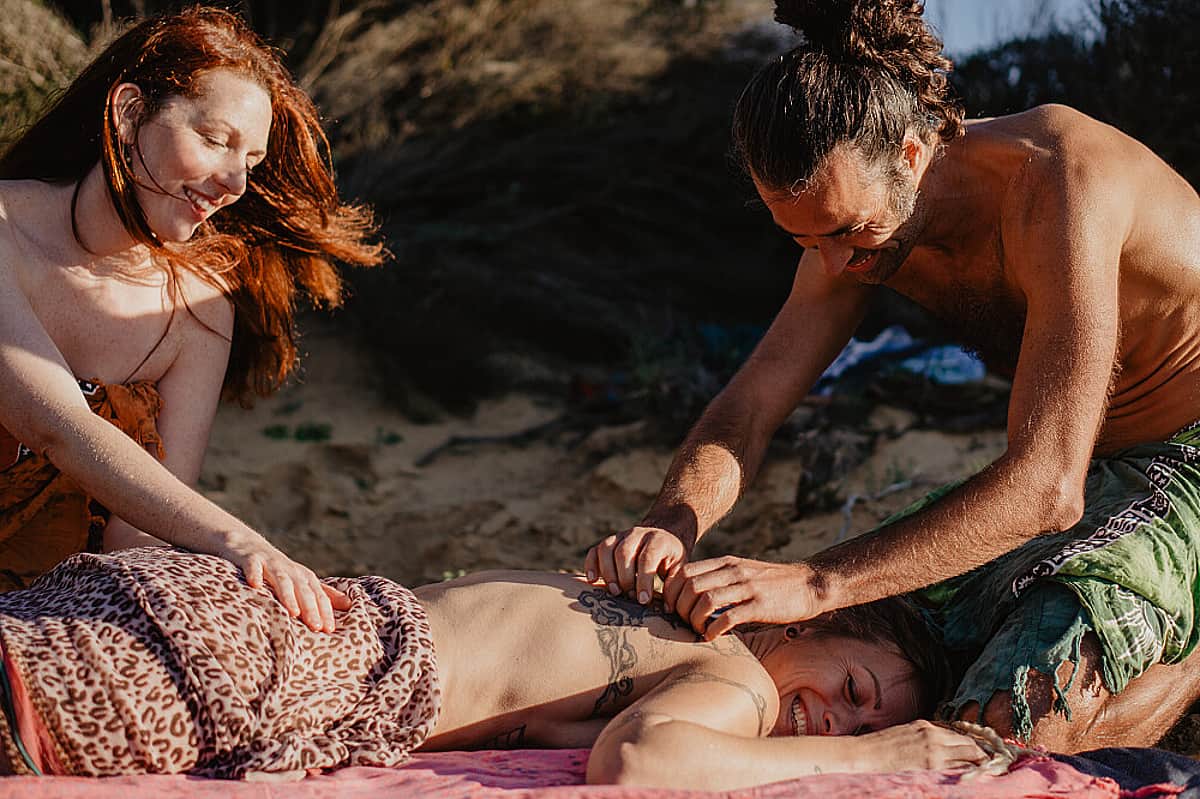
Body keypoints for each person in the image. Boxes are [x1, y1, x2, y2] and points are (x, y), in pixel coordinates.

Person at [585, 0, 1200, 752]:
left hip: (1180, 462)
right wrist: (672, 518)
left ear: (912, 154)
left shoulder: (1063, 182)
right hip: (1100, 468)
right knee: (832, 647)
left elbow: (1047, 485)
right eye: (803, 239)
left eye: (847, 234)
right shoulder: (847, 224)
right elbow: (748, 407)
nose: (834, 265)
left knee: (1002, 731)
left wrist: (815, 579)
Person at [0, 7, 384, 631]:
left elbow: (134, 538)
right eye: (215, 139)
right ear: (128, 113)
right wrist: (239, 540)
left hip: (53, 621)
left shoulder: (199, 304)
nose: (235, 180)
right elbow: (56, 429)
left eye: (252, 161)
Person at [0, 547, 983, 788]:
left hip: (245, 610)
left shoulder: (655, 597)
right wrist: (878, 756)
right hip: (268, 668)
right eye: (853, 690)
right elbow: (642, 763)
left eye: (857, 725)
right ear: (803, 618)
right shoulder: (738, 674)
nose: (832, 721)